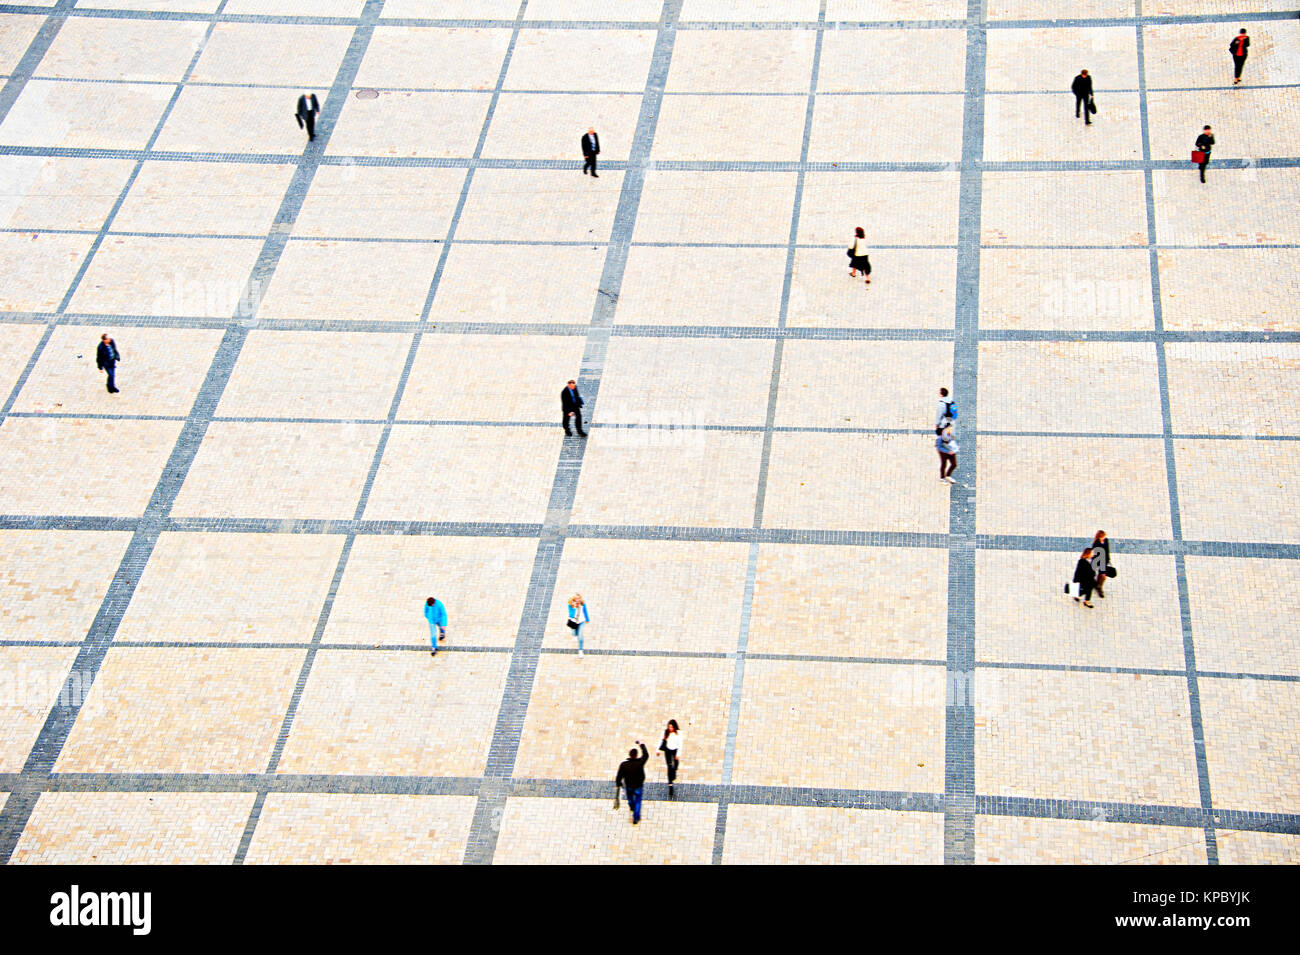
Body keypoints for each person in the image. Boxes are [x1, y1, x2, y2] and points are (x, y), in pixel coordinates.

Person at [615, 740, 649, 825]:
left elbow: (619, 776)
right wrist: (641, 745)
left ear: (629, 755)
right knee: (638, 800)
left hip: (629, 786)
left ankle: (631, 806)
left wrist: (618, 784)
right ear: (636, 755)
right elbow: (646, 755)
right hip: (638, 785)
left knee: (630, 799)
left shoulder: (624, 765)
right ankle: (636, 817)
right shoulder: (640, 763)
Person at [658, 719, 681, 796]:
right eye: (669, 727)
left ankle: (673, 773)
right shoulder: (666, 732)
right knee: (669, 766)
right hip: (667, 750)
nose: (670, 729)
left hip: (675, 750)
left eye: (672, 727)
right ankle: (670, 784)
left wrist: (678, 754)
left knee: (676, 765)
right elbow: (660, 741)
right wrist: (658, 750)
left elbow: (680, 744)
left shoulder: (679, 733)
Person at [1090, 531, 1112, 599]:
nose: (1104, 538)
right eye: (1103, 536)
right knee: (1103, 576)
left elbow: (1107, 550)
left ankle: (1098, 586)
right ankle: (1099, 588)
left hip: (1104, 561)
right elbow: (1096, 554)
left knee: (1102, 575)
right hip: (1099, 561)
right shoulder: (1096, 543)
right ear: (1099, 537)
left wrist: (1108, 559)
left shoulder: (1106, 540)